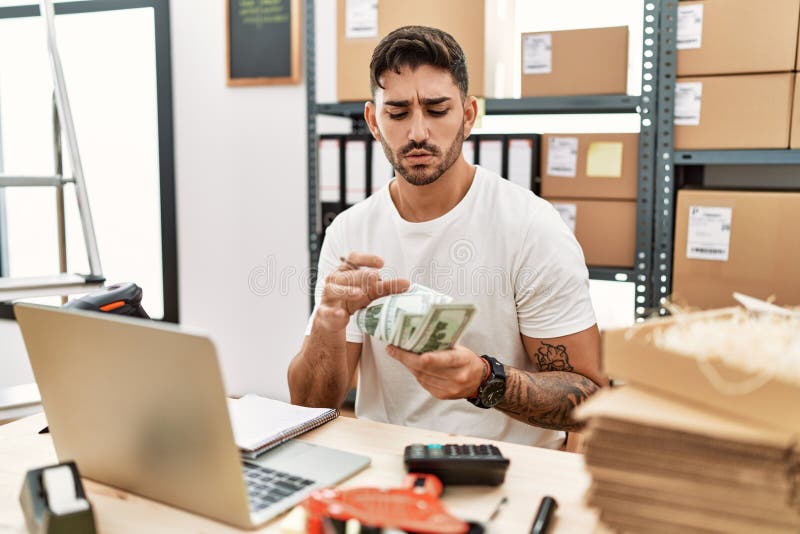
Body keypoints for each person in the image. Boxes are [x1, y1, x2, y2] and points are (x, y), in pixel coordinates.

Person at [288, 25, 607, 448]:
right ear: (373, 121)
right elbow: (309, 404)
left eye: (437, 110)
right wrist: (329, 321)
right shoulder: (350, 230)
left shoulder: (531, 227)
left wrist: (484, 380)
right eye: (398, 113)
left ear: (469, 115)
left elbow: (591, 399)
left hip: (508, 470)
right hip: (385, 465)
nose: (417, 132)